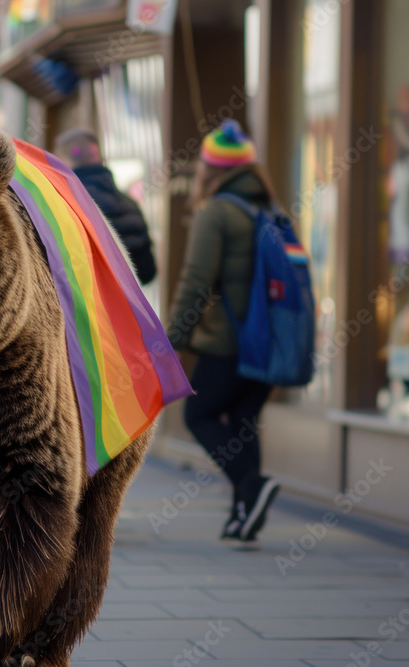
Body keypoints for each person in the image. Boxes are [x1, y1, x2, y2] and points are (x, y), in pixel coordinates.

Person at [166, 120, 281, 544]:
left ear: (210, 169)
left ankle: (253, 485)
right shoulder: (270, 209)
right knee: (244, 422)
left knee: (199, 415)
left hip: (229, 341)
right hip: (268, 341)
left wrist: (171, 342)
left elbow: (195, 282)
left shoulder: (216, 212)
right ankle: (242, 518)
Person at [55, 128, 157, 284]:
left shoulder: (63, 205)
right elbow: (147, 273)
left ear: (65, 162)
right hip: (123, 299)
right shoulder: (131, 206)